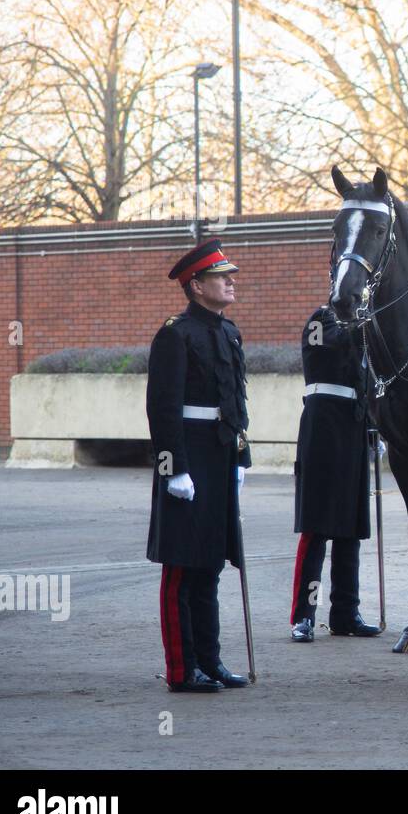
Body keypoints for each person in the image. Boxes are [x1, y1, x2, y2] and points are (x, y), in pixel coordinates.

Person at [147, 239, 251, 693]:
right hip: (187, 456)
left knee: (209, 564)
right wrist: (174, 469)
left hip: (219, 452)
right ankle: (181, 669)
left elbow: (236, 400)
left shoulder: (228, 332)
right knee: (182, 568)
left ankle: (211, 661)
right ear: (196, 285)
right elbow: (163, 408)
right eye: (220, 276)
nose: (230, 282)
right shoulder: (175, 333)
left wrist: (241, 457)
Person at [290, 305, 382, 643]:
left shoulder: (366, 325)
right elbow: (329, 345)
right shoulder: (322, 319)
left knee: (350, 529)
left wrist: (375, 427)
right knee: (317, 527)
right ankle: (304, 614)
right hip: (323, 425)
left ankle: (346, 612)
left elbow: (370, 380)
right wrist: (365, 325)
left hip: (355, 425)